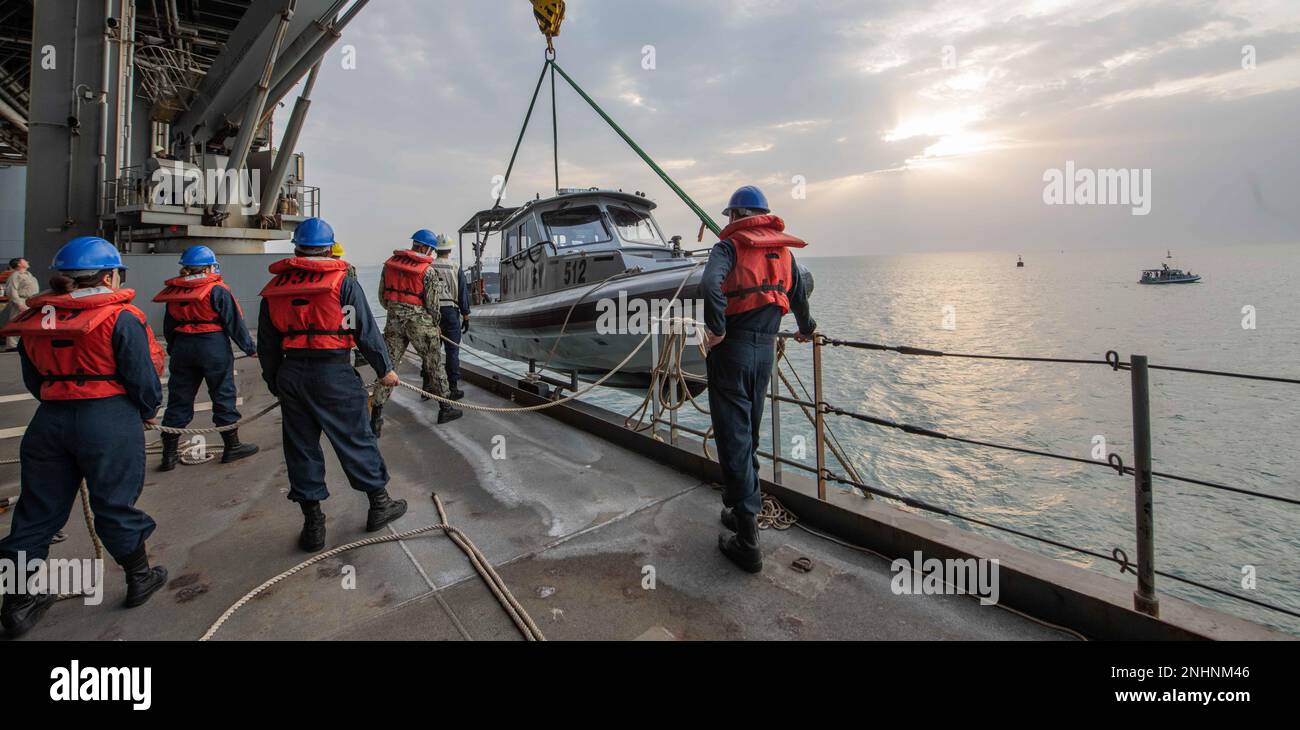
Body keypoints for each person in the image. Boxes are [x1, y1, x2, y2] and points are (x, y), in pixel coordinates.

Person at [0, 237, 169, 638]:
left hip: (50, 421)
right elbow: (143, 376)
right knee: (114, 503)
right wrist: (145, 412)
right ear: (109, 275)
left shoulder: (38, 318)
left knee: (36, 513)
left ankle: (16, 605)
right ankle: (139, 579)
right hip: (107, 419)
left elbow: (34, 379)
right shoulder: (121, 316)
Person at [257, 218, 406, 553]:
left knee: (301, 448)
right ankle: (379, 504)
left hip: (292, 374)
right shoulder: (342, 283)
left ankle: (313, 526)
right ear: (329, 246)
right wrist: (385, 370)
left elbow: (266, 344)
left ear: (296, 247)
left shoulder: (276, 288)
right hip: (333, 372)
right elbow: (364, 330)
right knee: (355, 439)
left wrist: (275, 381)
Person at [700, 186, 816, 573]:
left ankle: (748, 542)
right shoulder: (783, 251)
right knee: (748, 433)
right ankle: (739, 512)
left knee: (732, 438)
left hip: (731, 350)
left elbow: (710, 286)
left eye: (729, 217)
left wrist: (715, 329)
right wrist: (806, 328)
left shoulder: (728, 248)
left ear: (735, 216)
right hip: (764, 352)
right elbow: (798, 294)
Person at [152, 245, 259, 471]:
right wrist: (250, 348)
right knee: (222, 393)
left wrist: (175, 348)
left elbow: (169, 326)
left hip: (182, 346)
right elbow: (234, 323)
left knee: (179, 397)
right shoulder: (217, 290)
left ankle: (168, 455)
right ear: (210, 266)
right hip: (212, 345)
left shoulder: (175, 292)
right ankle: (232, 446)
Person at [370, 229, 463, 434]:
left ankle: (375, 417)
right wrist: (434, 324)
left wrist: (396, 311)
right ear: (424, 248)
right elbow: (433, 305)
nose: (431, 255)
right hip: (420, 321)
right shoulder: (427, 271)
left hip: (394, 320)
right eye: (430, 250)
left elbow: (382, 297)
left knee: (388, 368)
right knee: (434, 364)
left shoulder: (390, 266)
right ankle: (445, 408)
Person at [430, 234, 470, 400]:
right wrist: (466, 315)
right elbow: (462, 294)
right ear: (450, 249)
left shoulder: (429, 266)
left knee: (432, 350)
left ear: (435, 249)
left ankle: (428, 385)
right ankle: (452, 387)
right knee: (452, 350)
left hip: (432, 311)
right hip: (451, 312)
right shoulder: (455, 267)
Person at [3, 258, 39, 352]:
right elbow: (11, 291)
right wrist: (19, 303)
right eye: (25, 261)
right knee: (16, 322)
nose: (28, 262)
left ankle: (24, 343)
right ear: (19, 264)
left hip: (30, 300)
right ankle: (12, 345)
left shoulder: (28, 274)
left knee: (27, 323)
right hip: (22, 300)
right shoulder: (15, 275)